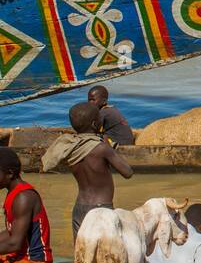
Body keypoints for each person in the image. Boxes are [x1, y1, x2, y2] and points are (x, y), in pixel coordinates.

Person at [43, 101, 134, 239]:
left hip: (79, 208)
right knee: (105, 257)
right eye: (99, 119)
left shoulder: (71, 147)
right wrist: (108, 147)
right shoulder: (101, 148)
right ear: (94, 124)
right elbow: (128, 172)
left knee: (81, 257)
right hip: (101, 209)